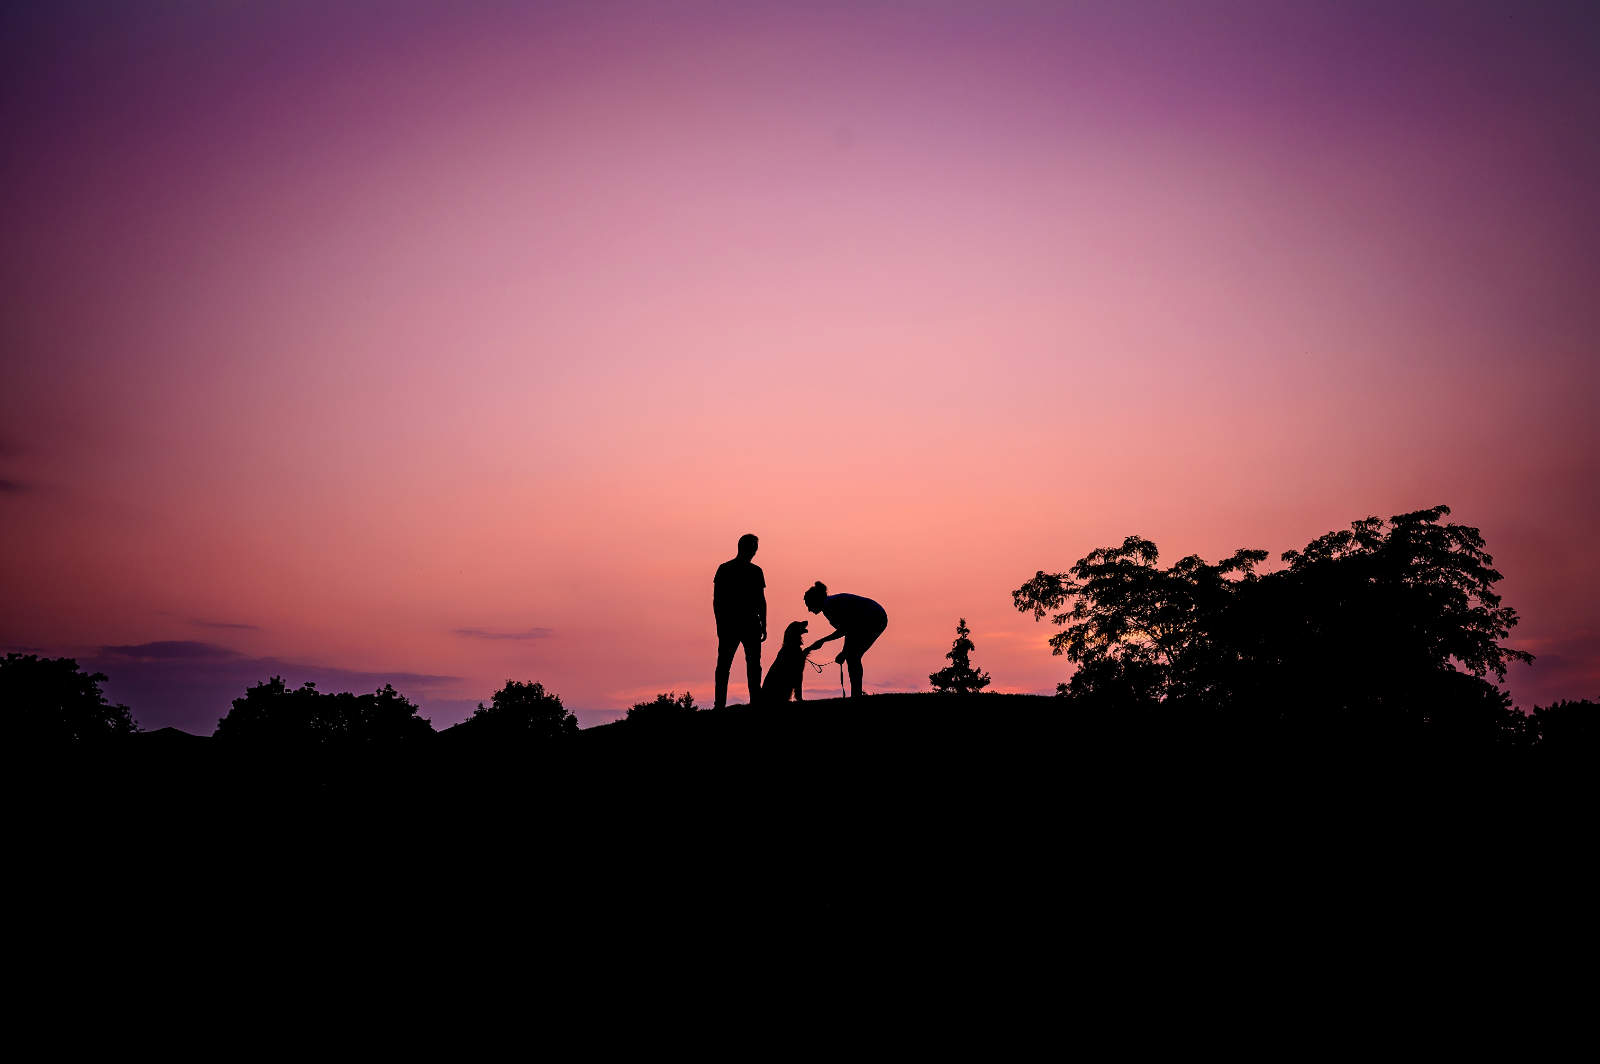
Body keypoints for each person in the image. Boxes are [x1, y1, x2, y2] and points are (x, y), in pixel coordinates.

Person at [803, 581, 887, 698]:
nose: (809, 609)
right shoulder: (829, 606)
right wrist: (826, 643)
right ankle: (856, 693)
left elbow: (848, 629)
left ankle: (856, 694)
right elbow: (848, 629)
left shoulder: (830, 606)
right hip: (873, 617)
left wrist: (841, 650)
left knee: (853, 656)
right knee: (853, 656)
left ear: (815, 600)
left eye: (808, 604)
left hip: (874, 617)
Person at [713, 534, 766, 710]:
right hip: (737, 624)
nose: (754, 551)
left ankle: (750, 701)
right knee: (732, 664)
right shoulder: (729, 569)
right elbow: (717, 600)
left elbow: (760, 600)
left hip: (742, 623)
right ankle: (722, 703)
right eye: (753, 548)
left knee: (745, 665)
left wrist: (763, 623)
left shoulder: (730, 569)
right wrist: (720, 624)